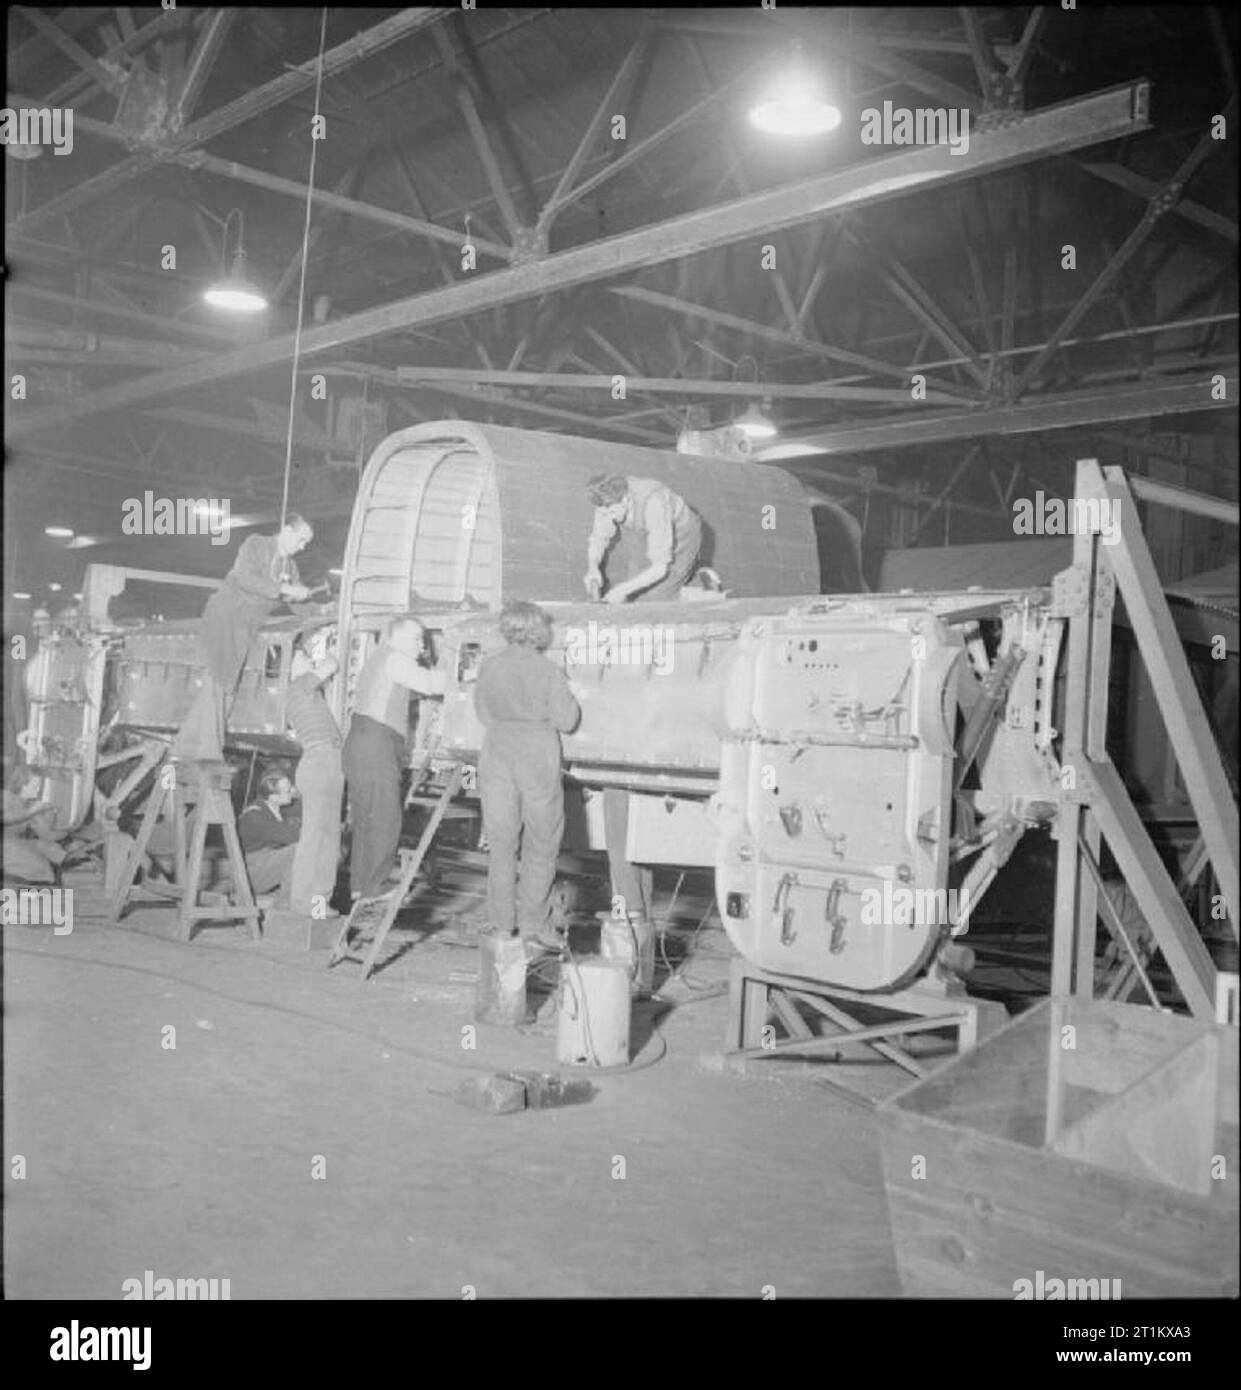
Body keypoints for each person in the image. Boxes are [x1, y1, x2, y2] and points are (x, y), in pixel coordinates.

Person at [473, 601, 580, 951]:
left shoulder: (489, 667)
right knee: (542, 841)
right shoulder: (548, 670)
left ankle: (503, 926)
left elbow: (483, 714)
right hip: (536, 753)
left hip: (497, 752)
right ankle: (534, 925)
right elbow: (568, 721)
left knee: (502, 844)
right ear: (538, 631)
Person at [175, 515, 314, 761]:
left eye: (306, 544)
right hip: (227, 617)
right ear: (286, 530)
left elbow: (296, 601)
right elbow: (244, 578)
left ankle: (183, 750)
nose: (303, 547)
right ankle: (208, 756)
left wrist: (318, 605)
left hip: (247, 626)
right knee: (220, 683)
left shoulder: (290, 567)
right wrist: (284, 589)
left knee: (224, 687)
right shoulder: (256, 544)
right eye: (301, 540)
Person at [342, 615, 446, 903]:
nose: (421, 645)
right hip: (377, 743)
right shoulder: (396, 658)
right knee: (387, 817)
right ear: (397, 637)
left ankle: (360, 886)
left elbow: (399, 694)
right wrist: (465, 674)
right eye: (417, 638)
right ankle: (375, 886)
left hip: (359, 742)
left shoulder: (378, 660)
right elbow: (427, 683)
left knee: (365, 819)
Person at [284, 640, 344, 918]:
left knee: (327, 838)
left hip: (328, 762)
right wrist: (336, 645)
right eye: (302, 657)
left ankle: (318, 904)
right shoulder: (298, 686)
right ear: (289, 666)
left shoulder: (308, 691)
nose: (308, 659)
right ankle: (304, 902)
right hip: (321, 762)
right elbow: (330, 665)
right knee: (317, 838)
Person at [583, 474, 703, 603]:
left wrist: (622, 590)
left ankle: (703, 590)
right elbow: (598, 539)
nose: (610, 518)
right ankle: (692, 581)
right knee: (636, 594)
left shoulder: (655, 503)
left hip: (681, 533)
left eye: (612, 512)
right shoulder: (605, 499)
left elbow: (660, 568)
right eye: (604, 514)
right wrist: (593, 567)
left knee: (655, 599)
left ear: (626, 499)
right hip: (646, 529)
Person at [237, 768, 302, 900]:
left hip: (263, 865)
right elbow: (292, 836)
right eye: (288, 790)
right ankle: (287, 904)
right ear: (273, 797)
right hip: (251, 874)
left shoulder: (274, 810)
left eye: (291, 787)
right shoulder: (255, 815)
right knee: (298, 850)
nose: (293, 792)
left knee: (306, 851)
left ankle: (310, 906)